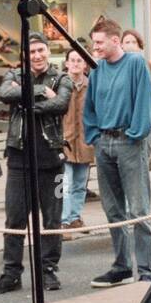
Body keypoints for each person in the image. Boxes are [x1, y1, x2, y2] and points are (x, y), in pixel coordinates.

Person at [0, 32, 71, 294]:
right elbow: (4, 94)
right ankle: (11, 273)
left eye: (40, 50)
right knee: (14, 220)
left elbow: (61, 103)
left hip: (52, 159)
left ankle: (48, 270)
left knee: (52, 220)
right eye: (32, 51)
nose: (36, 56)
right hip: (18, 160)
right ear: (25, 55)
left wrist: (30, 103)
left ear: (48, 52)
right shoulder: (14, 76)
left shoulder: (61, 77)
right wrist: (37, 92)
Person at [83, 17, 151, 287]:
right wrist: (94, 136)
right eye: (94, 43)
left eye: (99, 42)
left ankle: (146, 270)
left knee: (139, 209)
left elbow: (146, 101)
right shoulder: (97, 70)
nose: (95, 48)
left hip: (130, 141)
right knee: (113, 209)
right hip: (104, 142)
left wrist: (137, 134)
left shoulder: (136, 63)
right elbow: (89, 105)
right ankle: (122, 266)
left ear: (115, 41)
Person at [59, 47, 93, 235]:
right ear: (66, 63)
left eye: (79, 60)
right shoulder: (60, 84)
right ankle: (62, 221)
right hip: (64, 142)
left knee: (80, 184)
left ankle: (75, 218)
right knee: (64, 184)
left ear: (85, 64)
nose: (75, 64)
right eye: (72, 60)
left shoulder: (91, 85)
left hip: (86, 143)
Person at [123, 28, 151, 102]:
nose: (131, 45)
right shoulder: (118, 65)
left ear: (139, 46)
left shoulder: (147, 65)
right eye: (127, 42)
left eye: (134, 42)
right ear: (121, 45)